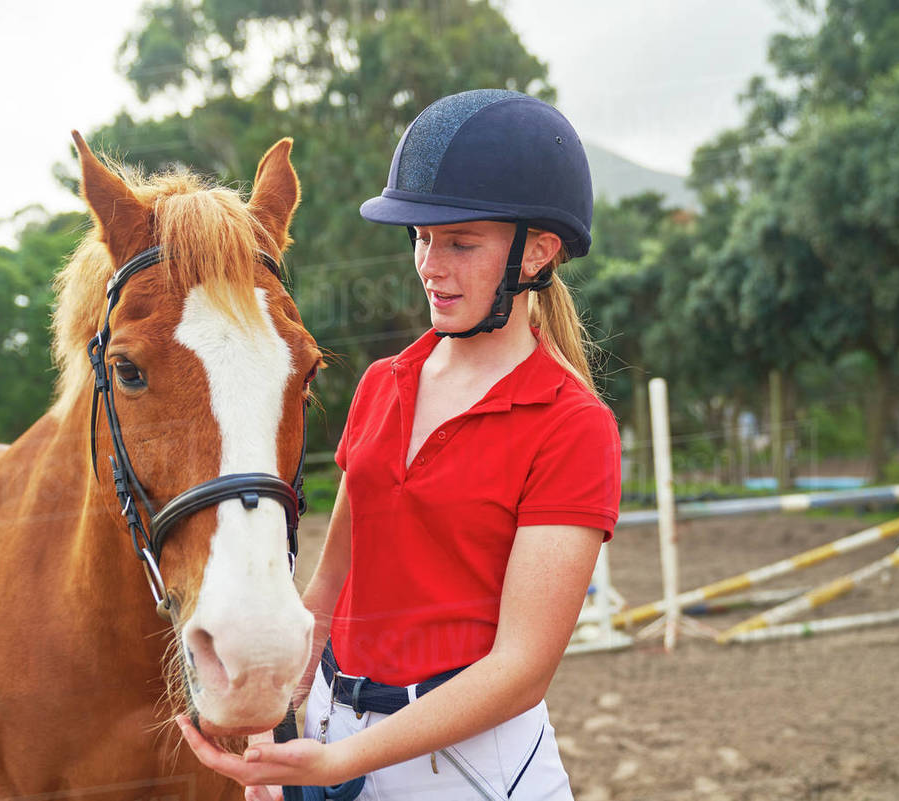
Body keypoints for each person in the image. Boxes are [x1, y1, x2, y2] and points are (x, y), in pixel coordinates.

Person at [180, 88, 621, 801]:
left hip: (470, 768)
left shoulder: (573, 424)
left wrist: (337, 762)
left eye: (460, 243)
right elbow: (328, 590)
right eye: (420, 237)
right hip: (331, 730)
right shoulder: (383, 384)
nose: (429, 265)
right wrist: (272, 729)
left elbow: (520, 669)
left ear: (538, 251)